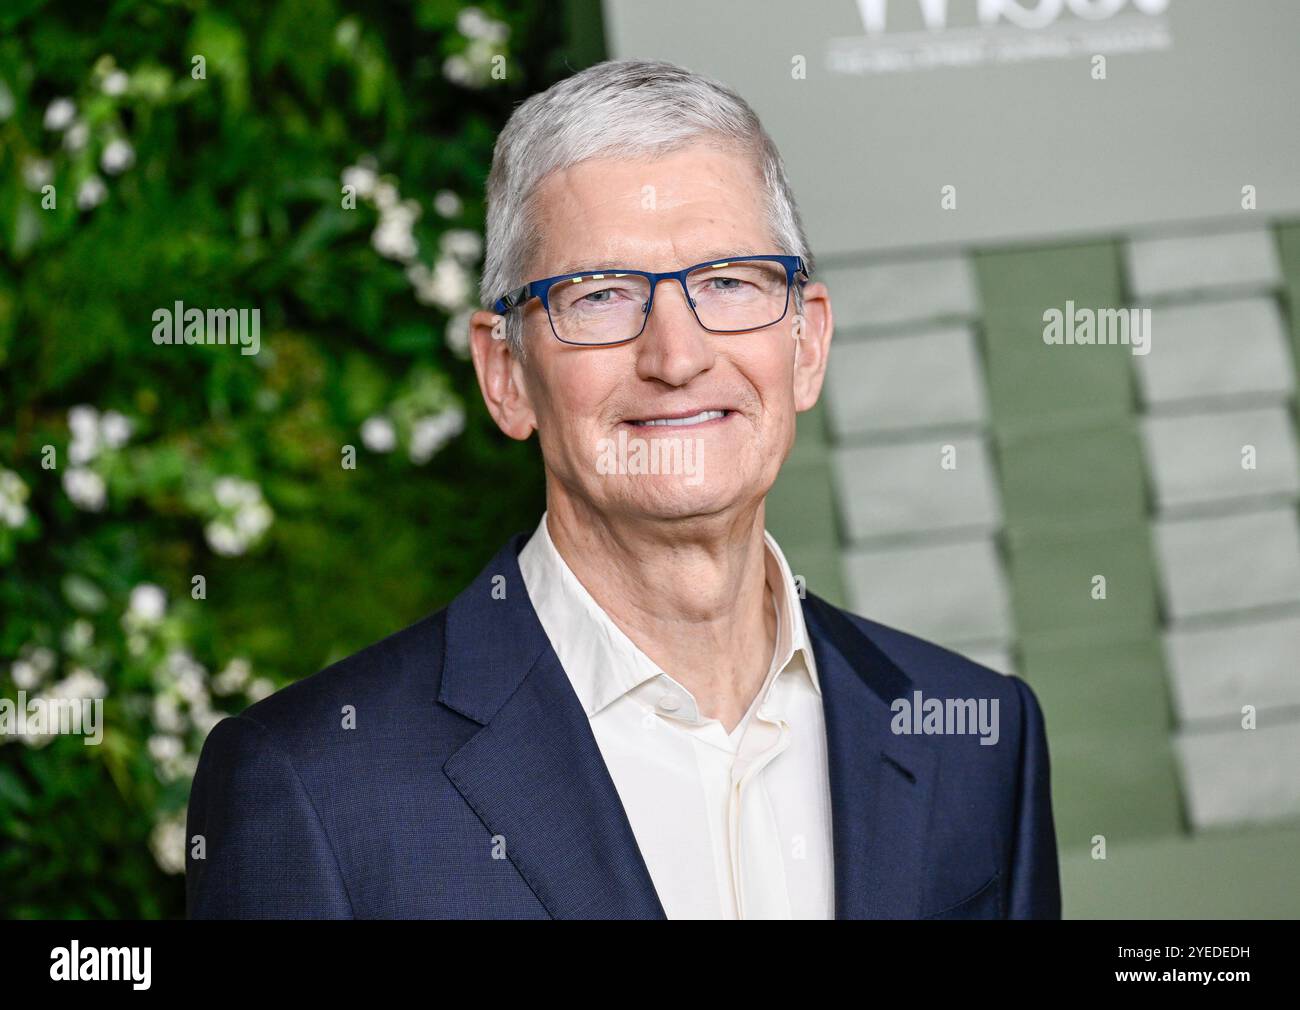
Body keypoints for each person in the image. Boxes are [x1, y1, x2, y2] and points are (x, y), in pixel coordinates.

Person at [186, 58, 1061, 920]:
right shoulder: (316, 790)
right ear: (506, 375)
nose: (676, 358)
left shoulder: (976, 740)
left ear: (807, 345)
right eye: (601, 295)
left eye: (728, 282)